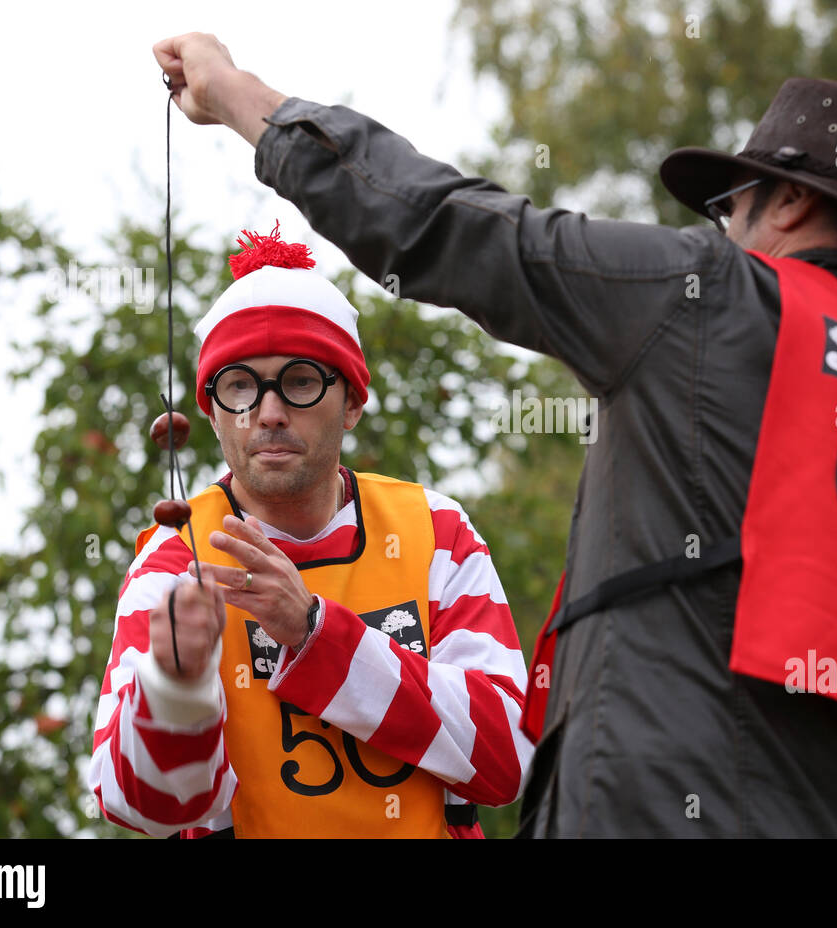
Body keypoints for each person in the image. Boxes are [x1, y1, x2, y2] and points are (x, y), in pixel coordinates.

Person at [150, 33, 837, 838]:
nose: (723, 229)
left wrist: (241, 98)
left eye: (729, 206)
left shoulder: (713, 300)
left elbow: (443, 223)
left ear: (783, 203)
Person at [88, 225, 533, 838]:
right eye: (240, 385)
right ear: (213, 413)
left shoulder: (435, 529)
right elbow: (142, 810)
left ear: (351, 402)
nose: (268, 412)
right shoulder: (174, 559)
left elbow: (510, 758)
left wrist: (317, 635)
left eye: (299, 380)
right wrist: (175, 688)